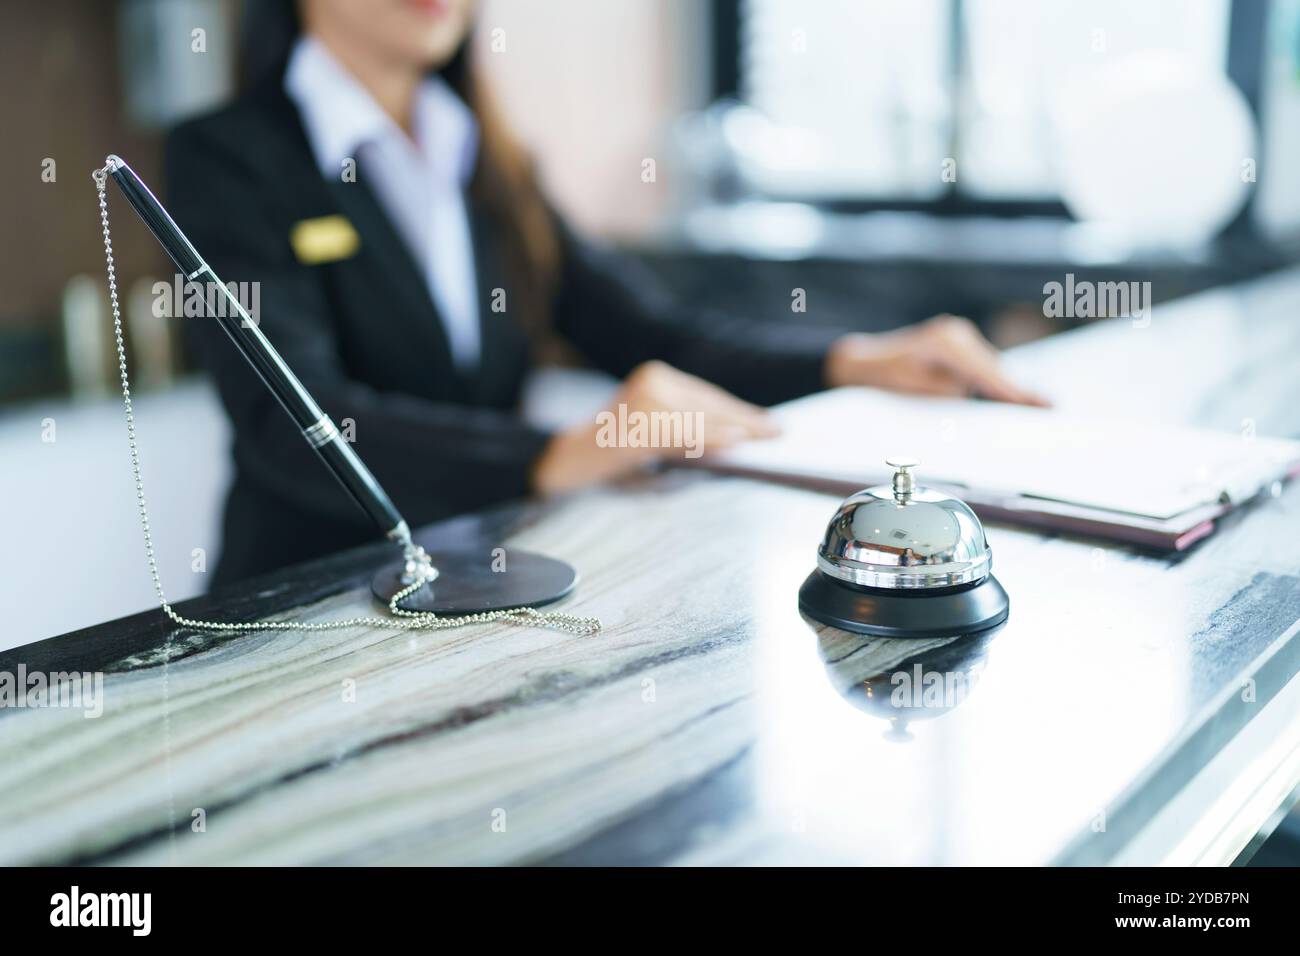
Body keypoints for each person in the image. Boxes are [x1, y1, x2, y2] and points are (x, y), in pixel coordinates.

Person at [166, 0, 1045, 585]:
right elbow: (290, 419)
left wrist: (856, 359)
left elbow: (652, 337)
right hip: (302, 602)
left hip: (466, 585)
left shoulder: (485, 159)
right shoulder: (226, 157)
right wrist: (556, 454)